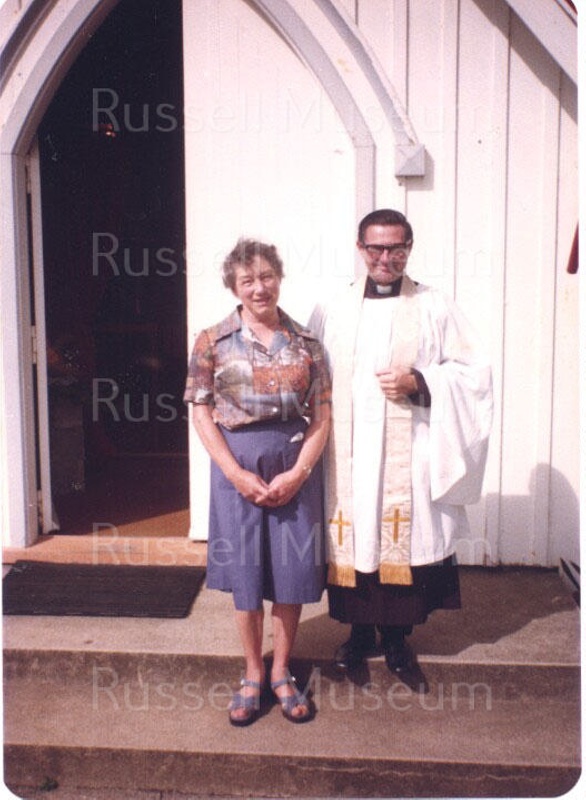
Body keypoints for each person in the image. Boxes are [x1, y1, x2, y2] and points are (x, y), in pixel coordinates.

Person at [309, 209, 492, 678]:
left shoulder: (434, 305)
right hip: (346, 457)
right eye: (375, 248)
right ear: (360, 249)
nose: (385, 257)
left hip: (406, 453)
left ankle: (395, 641)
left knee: (396, 540)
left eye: (395, 248)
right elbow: (309, 374)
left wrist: (420, 379)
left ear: (409, 248)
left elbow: (473, 372)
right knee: (353, 540)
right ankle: (356, 636)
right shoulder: (333, 307)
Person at [184, 238, 331, 725]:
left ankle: (282, 671)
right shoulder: (211, 341)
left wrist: (300, 472)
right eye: (247, 280)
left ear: (279, 278)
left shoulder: (308, 343)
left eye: (266, 276)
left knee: (289, 574)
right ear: (234, 286)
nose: (259, 287)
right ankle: (251, 672)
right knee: (246, 575)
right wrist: (233, 472)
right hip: (237, 467)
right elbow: (201, 411)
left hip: (293, 469)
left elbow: (323, 414)